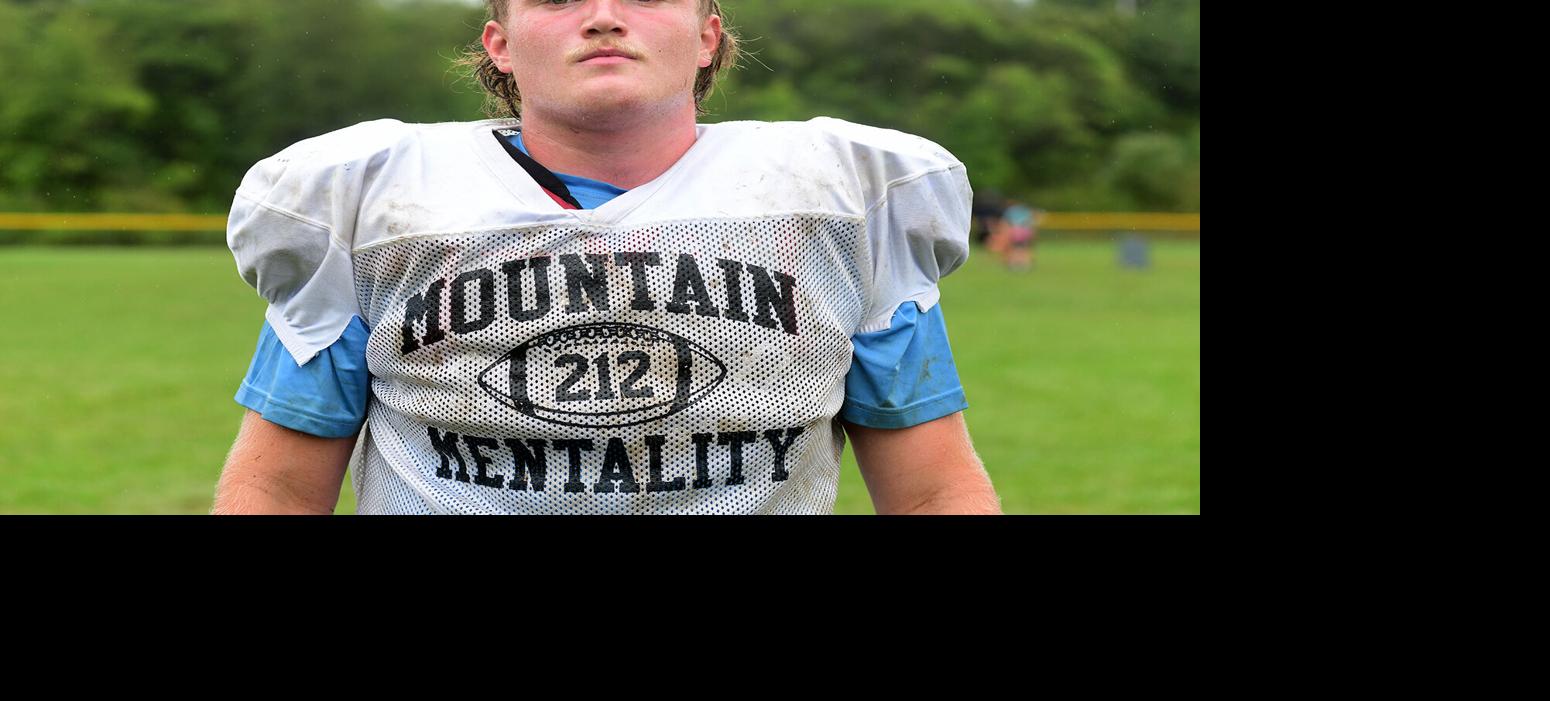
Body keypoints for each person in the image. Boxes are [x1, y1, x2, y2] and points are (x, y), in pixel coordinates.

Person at [213, 0, 1000, 515]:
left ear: (706, 37)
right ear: (500, 44)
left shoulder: (842, 202)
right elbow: (278, 490)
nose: (602, 18)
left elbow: (931, 491)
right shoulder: (373, 204)